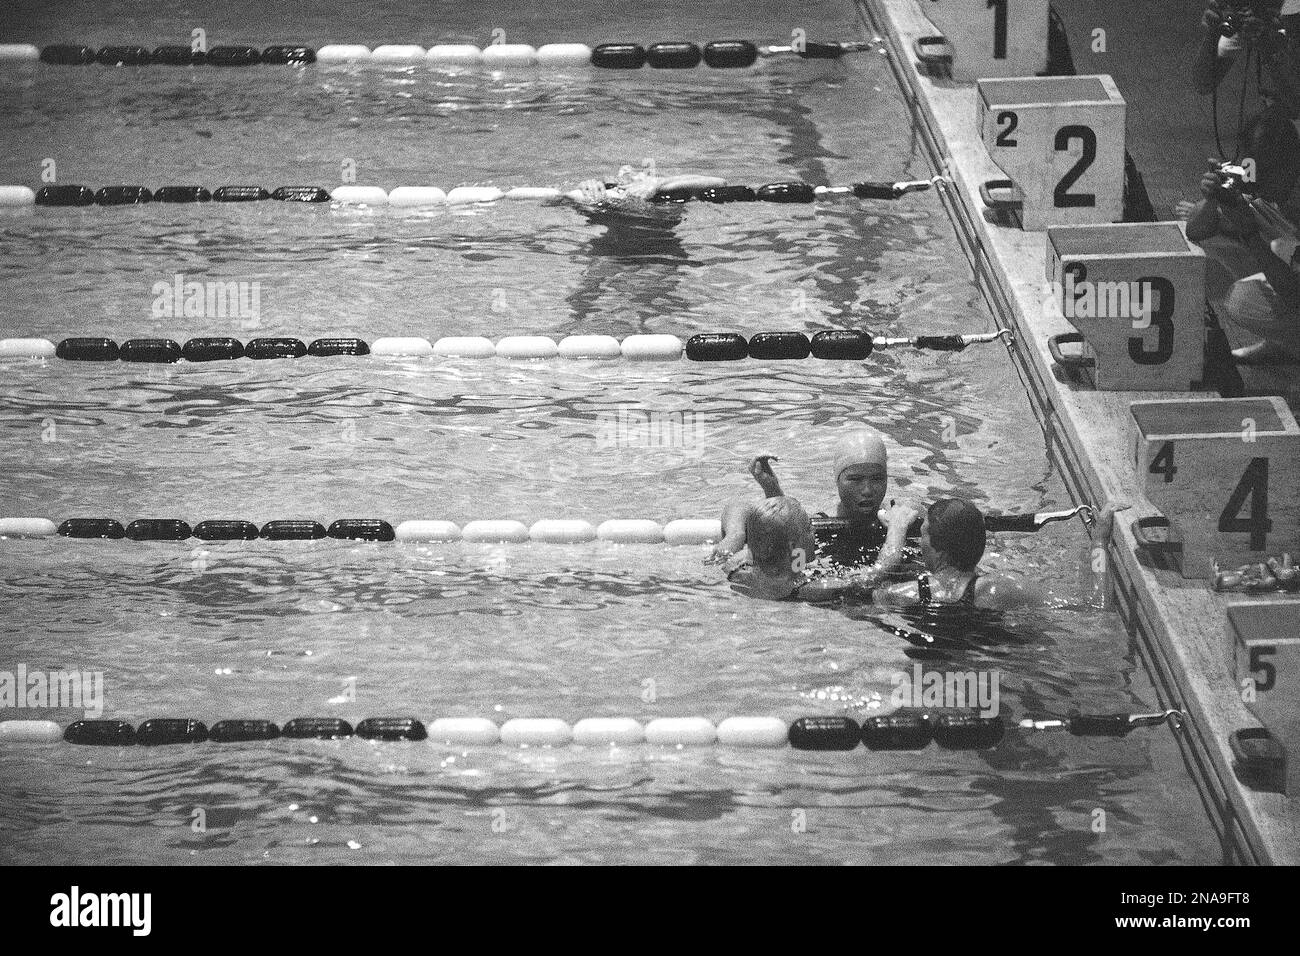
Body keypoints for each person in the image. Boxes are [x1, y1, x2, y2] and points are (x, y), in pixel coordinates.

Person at [711, 428, 916, 573]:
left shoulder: (902, 516)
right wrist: (736, 534)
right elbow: (795, 570)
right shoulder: (818, 525)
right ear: (837, 480)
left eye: (878, 479)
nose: (867, 490)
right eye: (855, 479)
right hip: (831, 595)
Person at [1190, 1, 1300, 214]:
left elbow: (1296, 99)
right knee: (1258, 142)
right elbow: (1204, 81)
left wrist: (1270, 47)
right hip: (1284, 129)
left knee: (1267, 133)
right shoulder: (1256, 14)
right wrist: (1213, 33)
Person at [1189, 166, 1300, 362]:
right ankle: (1284, 343)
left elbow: (1294, 293)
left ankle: (1292, 340)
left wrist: (1250, 235)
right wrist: (1212, 197)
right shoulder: (1267, 190)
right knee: (1224, 227)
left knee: (1243, 300)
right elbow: (1196, 231)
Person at [873, 499, 1044, 612]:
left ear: (935, 545)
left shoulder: (899, 594)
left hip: (929, 665)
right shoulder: (1005, 588)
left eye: (922, 534)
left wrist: (896, 530)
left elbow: (859, 602)